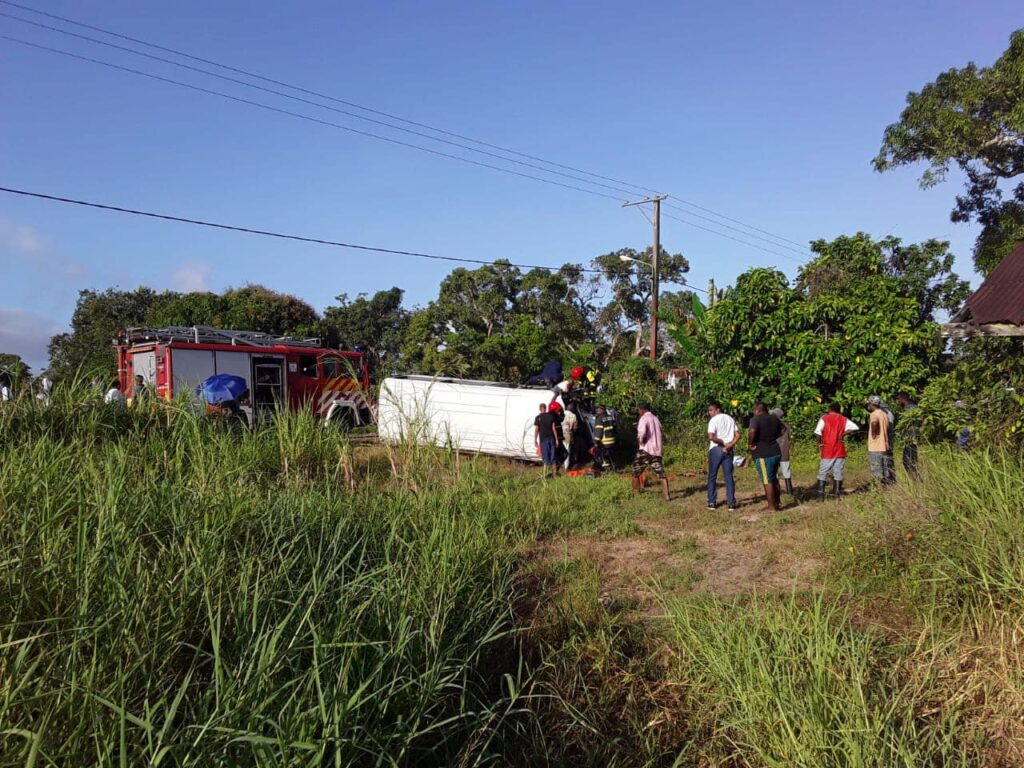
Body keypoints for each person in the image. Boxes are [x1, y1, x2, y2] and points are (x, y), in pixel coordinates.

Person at [814, 402, 859, 500]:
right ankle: (836, 494)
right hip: (839, 448)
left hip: (828, 448)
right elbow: (855, 427)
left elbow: (818, 433)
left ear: (830, 409)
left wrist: (820, 444)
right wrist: (843, 434)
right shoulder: (843, 419)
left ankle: (820, 495)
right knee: (838, 471)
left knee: (823, 471)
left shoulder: (824, 418)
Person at [748, 402, 784, 511]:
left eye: (754, 410)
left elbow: (752, 430)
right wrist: (772, 437)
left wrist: (751, 443)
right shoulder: (774, 418)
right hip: (776, 451)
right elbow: (783, 430)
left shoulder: (756, 419)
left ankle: (771, 507)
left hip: (763, 454)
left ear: (758, 410)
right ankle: (777, 503)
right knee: (774, 478)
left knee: (767, 479)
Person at [706, 400, 739, 510]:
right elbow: (738, 435)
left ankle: (712, 502)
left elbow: (711, 437)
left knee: (712, 476)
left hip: (716, 449)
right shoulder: (730, 418)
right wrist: (730, 445)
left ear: (717, 409)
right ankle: (731, 503)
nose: (710, 412)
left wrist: (722, 442)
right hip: (728, 450)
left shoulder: (713, 420)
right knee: (728, 476)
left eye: (711, 410)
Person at [632, 404, 670, 501]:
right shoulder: (655, 418)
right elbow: (660, 430)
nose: (638, 412)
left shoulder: (643, 418)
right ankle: (667, 495)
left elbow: (642, 433)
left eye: (638, 410)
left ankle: (636, 494)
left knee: (635, 471)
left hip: (646, 450)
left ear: (642, 409)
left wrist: (640, 440)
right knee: (661, 473)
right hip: (656, 450)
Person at [867, 396, 895, 485]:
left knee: (876, 469)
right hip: (884, 446)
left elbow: (874, 423)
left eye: (868, 403)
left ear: (872, 404)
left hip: (876, 447)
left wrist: (874, 433)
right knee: (885, 469)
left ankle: (878, 489)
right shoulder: (885, 414)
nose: (868, 405)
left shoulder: (874, 414)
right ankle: (887, 487)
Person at [769, 407, 793, 497]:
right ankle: (789, 490)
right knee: (786, 470)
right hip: (785, 450)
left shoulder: (771, 425)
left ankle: (776, 490)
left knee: (774, 471)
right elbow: (789, 437)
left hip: (774, 451)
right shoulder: (787, 425)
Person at [894, 392, 920, 478]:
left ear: (902, 399)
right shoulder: (911, 407)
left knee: (910, 461)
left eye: (897, 399)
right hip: (910, 438)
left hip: (911, 439)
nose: (897, 402)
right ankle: (914, 480)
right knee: (908, 461)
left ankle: (915, 481)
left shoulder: (910, 409)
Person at [534, 403, 560, 479]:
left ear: (540, 409)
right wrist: (556, 439)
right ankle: (554, 474)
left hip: (543, 440)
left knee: (545, 457)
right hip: (551, 439)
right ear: (545, 408)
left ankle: (546, 474)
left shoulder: (538, 418)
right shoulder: (550, 416)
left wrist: (535, 439)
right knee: (553, 456)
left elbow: (536, 429)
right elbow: (553, 428)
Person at [593, 405, 618, 470]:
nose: (597, 411)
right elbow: (615, 429)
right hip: (613, 440)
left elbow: (599, 431)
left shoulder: (599, 419)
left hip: (604, 441)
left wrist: (596, 441)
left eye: (598, 410)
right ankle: (614, 467)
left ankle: (606, 469)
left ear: (602, 410)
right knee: (611, 455)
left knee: (603, 455)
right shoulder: (611, 417)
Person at [562, 402, 579, 470]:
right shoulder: (573, 415)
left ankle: (560, 464)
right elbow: (574, 427)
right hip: (567, 433)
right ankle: (566, 467)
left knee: (561, 449)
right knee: (567, 449)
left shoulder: (561, 413)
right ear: (572, 409)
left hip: (560, 433)